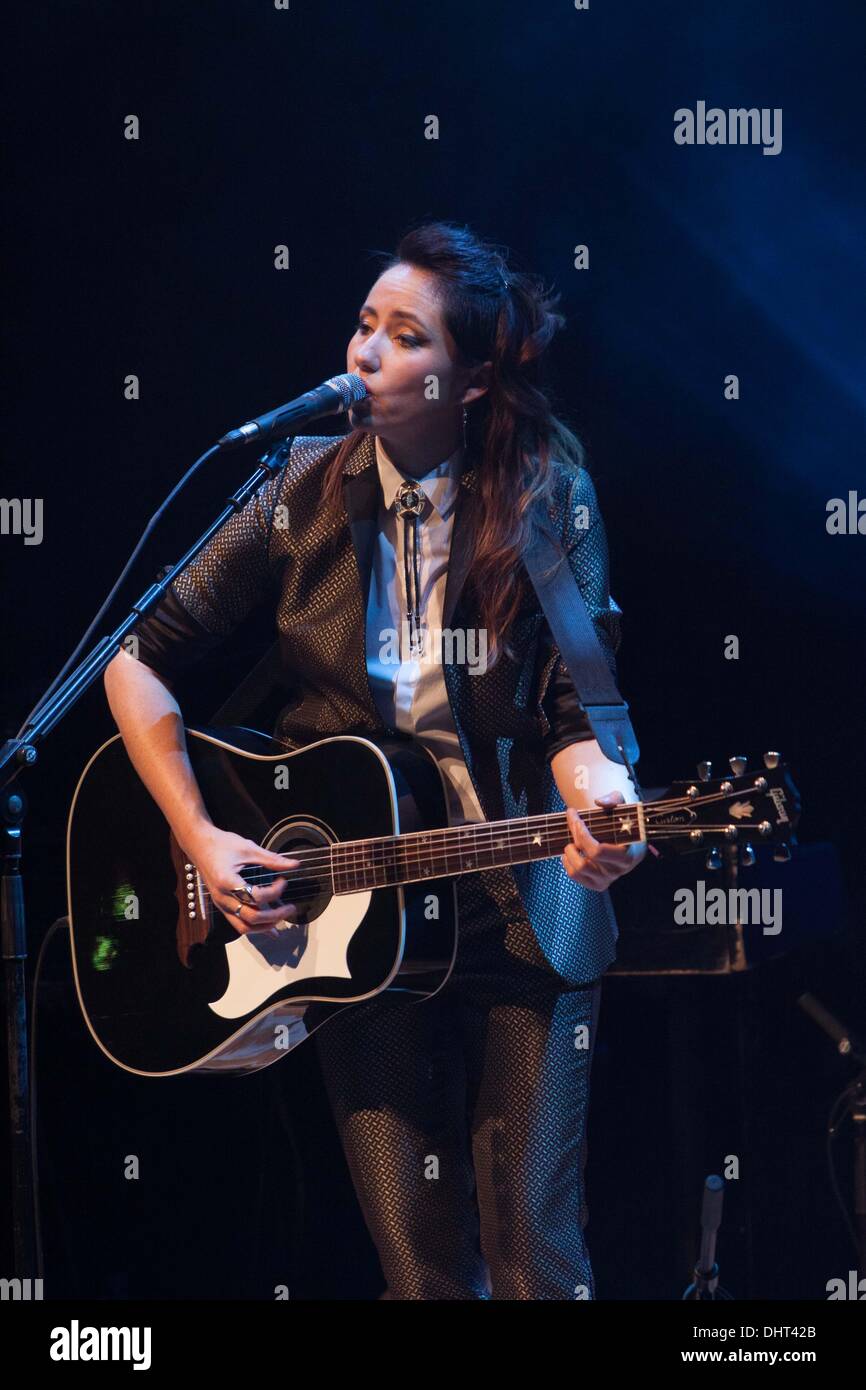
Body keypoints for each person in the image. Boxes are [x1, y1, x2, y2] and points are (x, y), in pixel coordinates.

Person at [104, 219, 647, 1299]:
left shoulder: (546, 493)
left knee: (534, 1259)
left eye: (404, 337)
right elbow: (137, 659)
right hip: (355, 926)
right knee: (415, 1267)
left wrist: (600, 793)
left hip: (519, 906)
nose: (363, 353)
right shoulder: (297, 485)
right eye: (364, 323)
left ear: (473, 381)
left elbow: (579, 706)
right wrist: (198, 833)